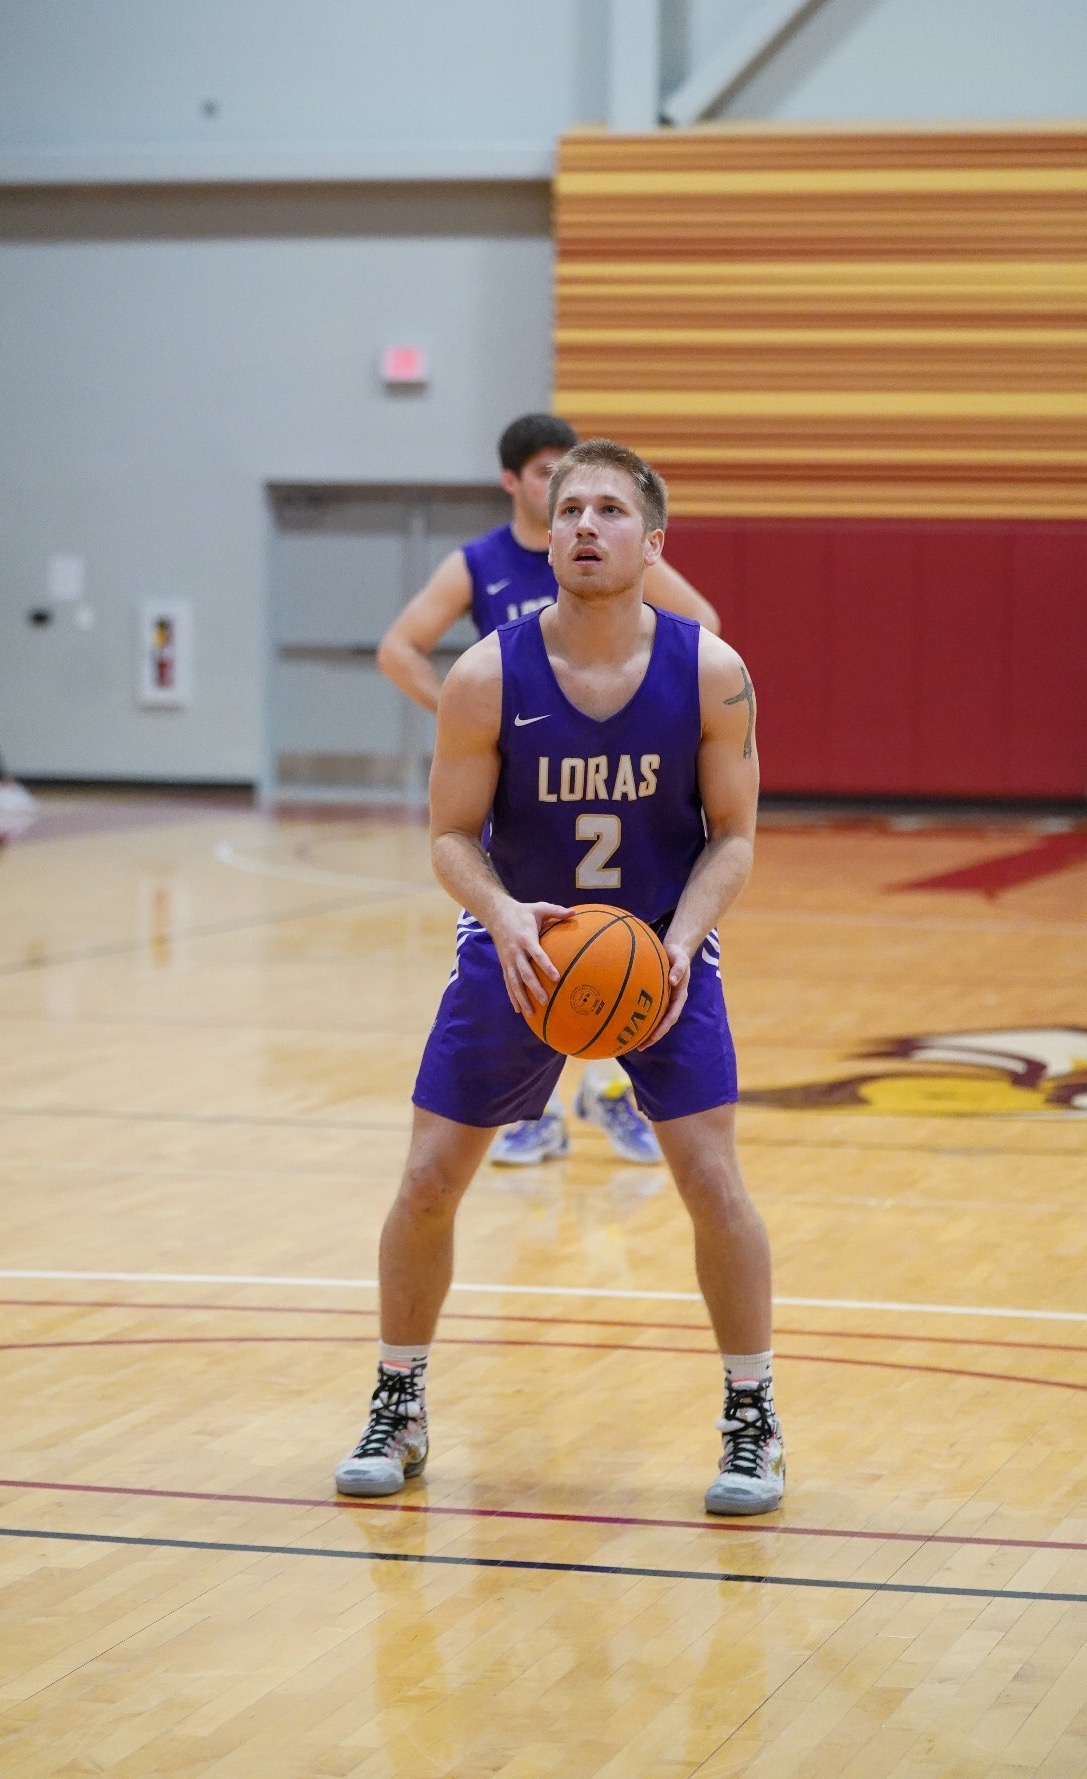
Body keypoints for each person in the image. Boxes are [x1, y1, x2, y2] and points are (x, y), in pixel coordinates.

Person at [336, 438, 783, 1517]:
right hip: (520, 949)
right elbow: (449, 837)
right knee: (430, 1180)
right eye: (570, 507)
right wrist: (500, 916)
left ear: (652, 540)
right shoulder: (485, 676)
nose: (584, 525)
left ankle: (752, 1418)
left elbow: (733, 839)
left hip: (658, 955)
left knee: (711, 1183)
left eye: (609, 511)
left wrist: (678, 942)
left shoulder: (712, 674)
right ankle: (399, 1399)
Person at [377, 412, 722, 1168]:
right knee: (541, 932)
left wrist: (651, 699)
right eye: (551, 482)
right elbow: (398, 647)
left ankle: (602, 1088)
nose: (578, 514)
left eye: (594, 499)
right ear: (514, 482)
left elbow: (701, 625)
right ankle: (530, 1109)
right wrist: (463, 717)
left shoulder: (620, 557)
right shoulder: (479, 564)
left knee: (615, 940)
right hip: (524, 779)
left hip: (616, 777)